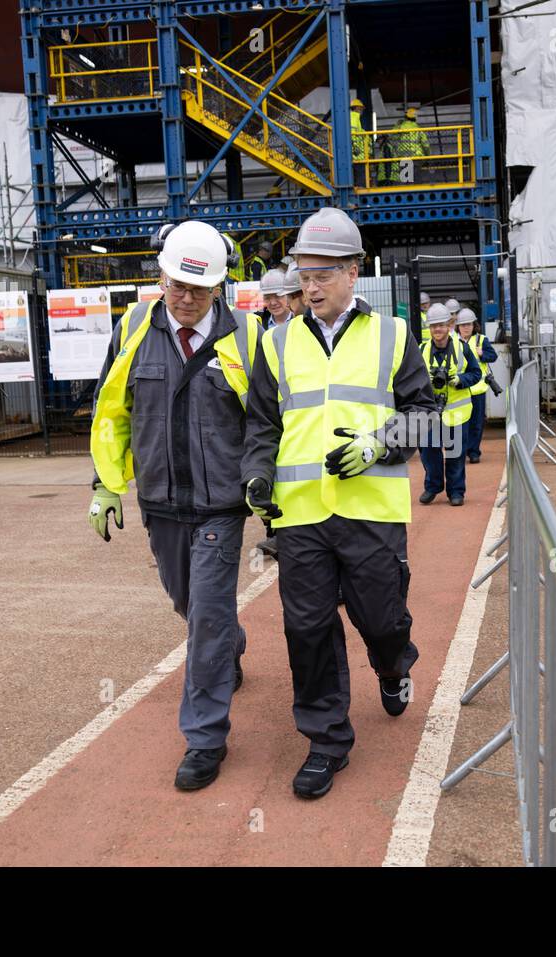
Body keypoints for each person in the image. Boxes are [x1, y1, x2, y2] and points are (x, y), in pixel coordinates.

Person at [241, 206, 437, 800]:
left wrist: (379, 445)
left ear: (354, 273)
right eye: (305, 273)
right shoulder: (274, 344)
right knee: (306, 628)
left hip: (371, 514)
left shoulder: (394, 336)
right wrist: (256, 477)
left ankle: (393, 662)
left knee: (380, 619)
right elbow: (261, 427)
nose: (312, 284)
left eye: (324, 272)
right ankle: (326, 741)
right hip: (300, 518)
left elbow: (426, 418)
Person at [88, 219, 259, 793]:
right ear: (160, 277)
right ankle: (230, 645)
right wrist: (104, 482)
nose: (185, 300)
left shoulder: (249, 338)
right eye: (176, 287)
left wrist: (268, 489)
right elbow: (111, 409)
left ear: (220, 287)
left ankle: (204, 738)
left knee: (207, 614)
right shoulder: (134, 327)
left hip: (220, 506)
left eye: (199, 290)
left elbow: (266, 423)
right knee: (189, 603)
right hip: (160, 502)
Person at [418, 302, 481, 506]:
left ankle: (456, 491)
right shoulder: (421, 350)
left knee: (455, 454)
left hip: (456, 413)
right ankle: (433, 486)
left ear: (449, 325)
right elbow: (410, 378)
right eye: (433, 325)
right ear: (429, 328)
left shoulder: (462, 348)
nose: (437, 329)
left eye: (441, 325)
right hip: (430, 413)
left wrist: (459, 380)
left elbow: (476, 373)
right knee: (429, 451)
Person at [453, 307, 497, 464]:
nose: (466, 327)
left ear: (474, 325)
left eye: (469, 324)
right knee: (458, 422)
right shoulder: (451, 340)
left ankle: (473, 452)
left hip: (477, 390)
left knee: (476, 423)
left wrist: (482, 354)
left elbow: (493, 356)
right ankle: (460, 450)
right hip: (458, 390)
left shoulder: (481, 340)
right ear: (458, 326)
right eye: (463, 324)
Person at [388, 106, 429, 185]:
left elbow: (392, 136)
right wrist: (427, 155)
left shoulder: (400, 128)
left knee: (405, 181)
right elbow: (425, 145)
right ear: (415, 118)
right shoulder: (418, 130)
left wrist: (397, 125)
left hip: (403, 157)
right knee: (416, 180)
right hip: (416, 157)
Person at [350, 96, 371, 188]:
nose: (362, 110)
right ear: (357, 108)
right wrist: (355, 147)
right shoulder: (354, 116)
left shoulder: (354, 117)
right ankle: (361, 190)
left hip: (355, 153)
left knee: (357, 173)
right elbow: (353, 133)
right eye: (361, 108)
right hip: (357, 154)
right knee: (360, 173)